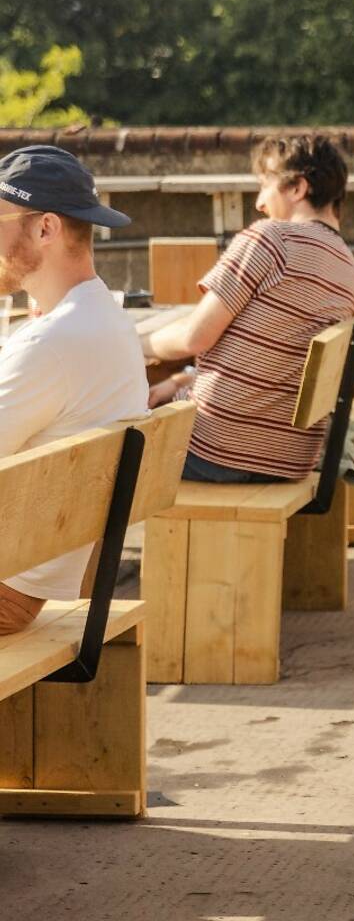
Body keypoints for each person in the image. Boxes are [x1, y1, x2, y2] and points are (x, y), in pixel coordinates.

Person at [144, 134, 354, 483]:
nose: (260, 203)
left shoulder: (271, 239)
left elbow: (193, 338)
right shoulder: (352, 275)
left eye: (265, 186)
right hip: (289, 462)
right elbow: (277, 361)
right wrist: (184, 380)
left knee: (96, 447)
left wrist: (134, 341)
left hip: (213, 450)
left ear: (298, 188)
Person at [0, 145, 148, 636]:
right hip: (37, 567)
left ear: (45, 228)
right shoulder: (101, 317)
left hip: (10, 586)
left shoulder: (52, 343)